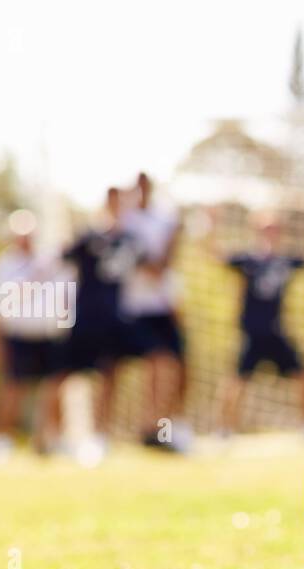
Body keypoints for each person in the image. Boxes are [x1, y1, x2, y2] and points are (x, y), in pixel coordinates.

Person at [211, 211, 304, 438]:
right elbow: (217, 255)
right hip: (252, 333)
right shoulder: (247, 261)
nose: (271, 233)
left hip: (276, 333)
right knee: (237, 381)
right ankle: (224, 429)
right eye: (267, 229)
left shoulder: (284, 261)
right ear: (258, 232)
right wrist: (210, 225)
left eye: (275, 229)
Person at [61, 187, 141, 461]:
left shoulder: (131, 240)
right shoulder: (89, 236)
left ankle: (100, 433)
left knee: (110, 375)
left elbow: (150, 267)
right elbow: (63, 258)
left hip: (114, 318)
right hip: (85, 316)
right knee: (65, 373)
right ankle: (56, 436)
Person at [0, 209, 67, 458]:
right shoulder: (0, 266)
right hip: (17, 335)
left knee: (54, 388)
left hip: (49, 334)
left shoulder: (51, 262)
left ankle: (51, 439)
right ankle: (1, 441)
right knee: (12, 388)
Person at [120, 172, 189, 451]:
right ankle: (150, 427)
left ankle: (168, 424)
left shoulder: (165, 218)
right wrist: (155, 265)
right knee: (156, 365)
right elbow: (143, 262)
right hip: (137, 308)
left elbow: (169, 258)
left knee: (180, 367)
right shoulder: (126, 222)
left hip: (166, 305)